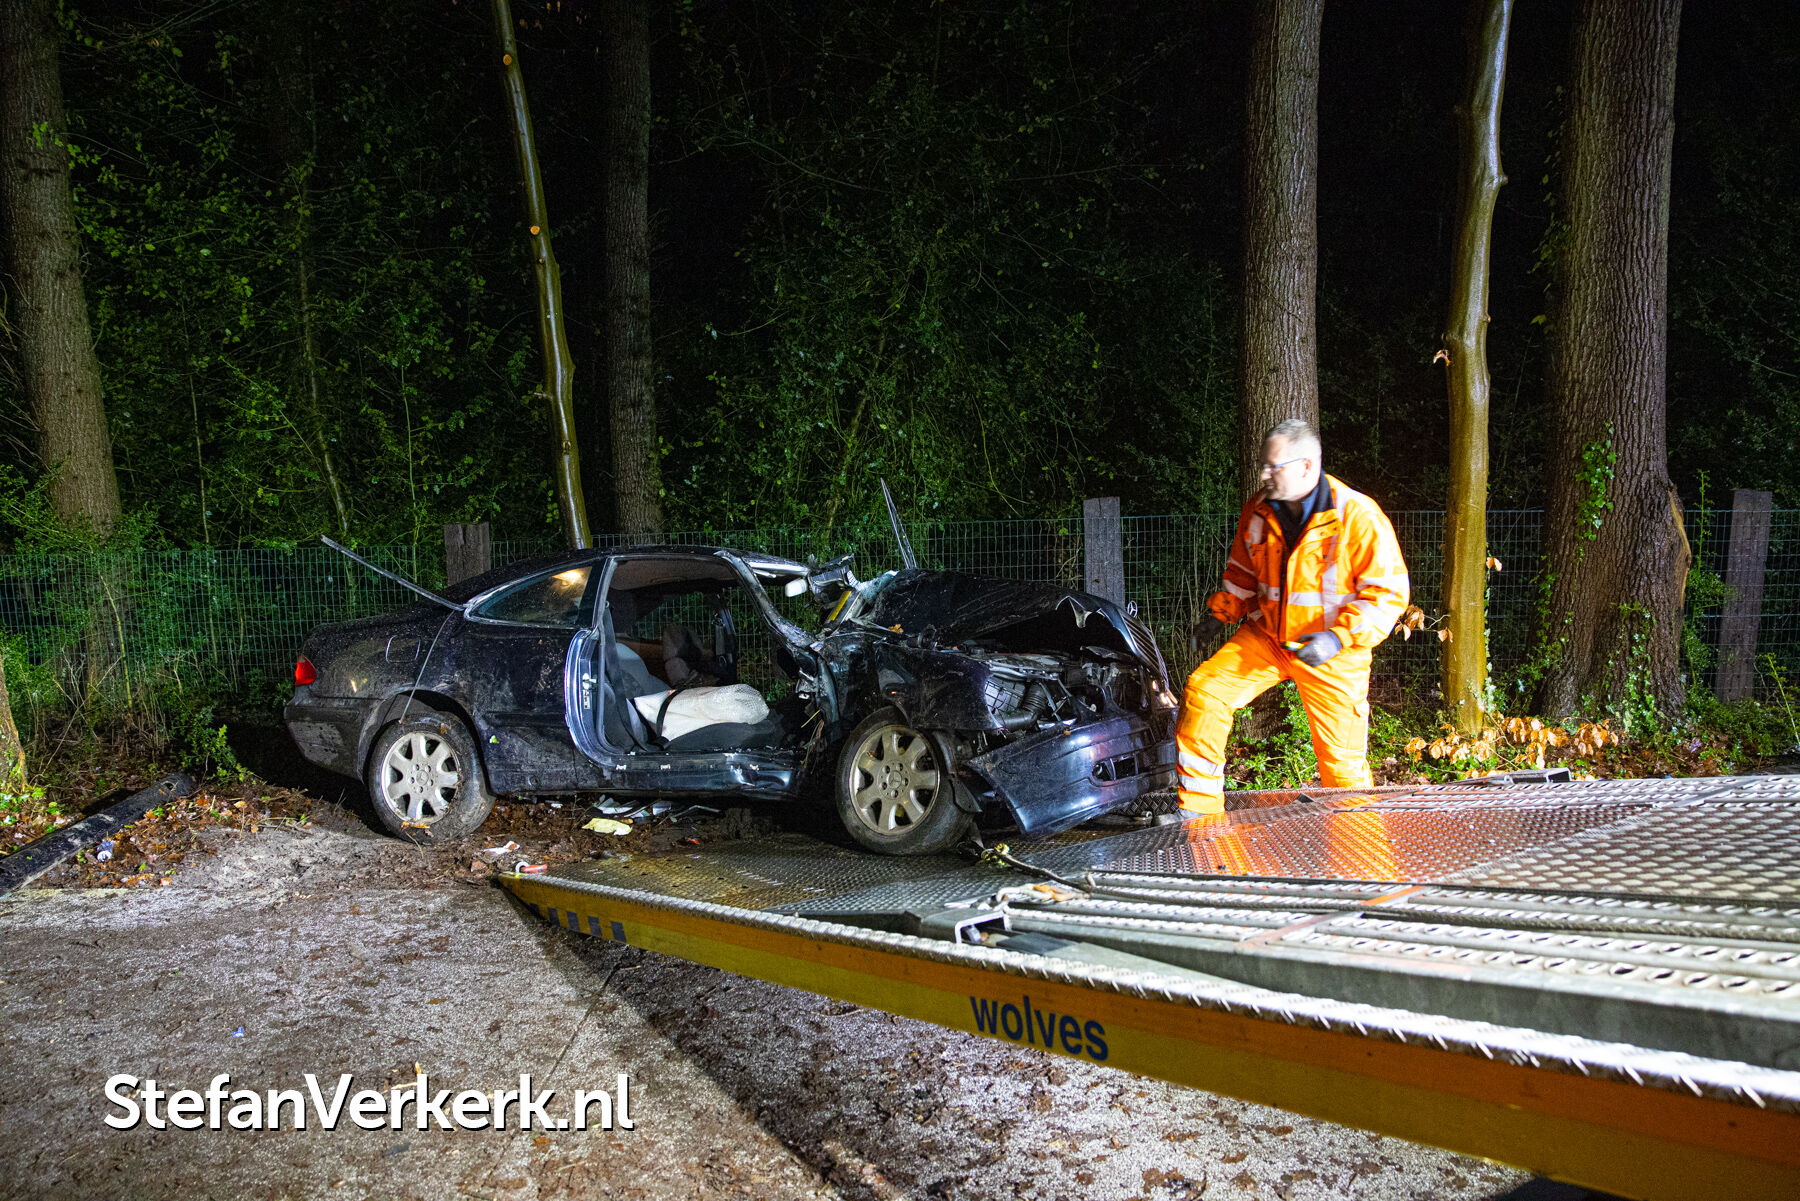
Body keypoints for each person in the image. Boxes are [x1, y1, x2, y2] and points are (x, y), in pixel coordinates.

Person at [1174, 419, 1410, 815]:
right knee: (1206, 693)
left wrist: (1337, 638)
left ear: (1306, 466)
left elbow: (1387, 596)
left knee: (1343, 769)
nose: (1263, 475)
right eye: (1263, 465)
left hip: (1334, 651)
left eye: (1273, 467)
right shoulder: (1258, 509)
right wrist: (1220, 614)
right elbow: (1243, 574)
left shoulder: (1357, 515)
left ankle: (1358, 850)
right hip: (1268, 637)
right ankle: (1199, 822)